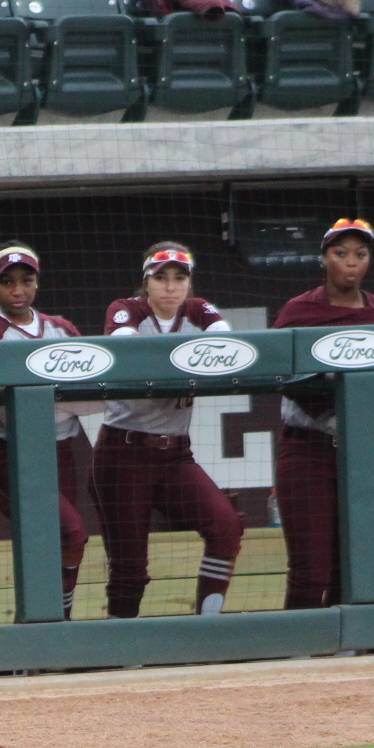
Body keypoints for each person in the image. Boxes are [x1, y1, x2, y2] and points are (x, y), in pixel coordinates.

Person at [270, 219, 374, 607]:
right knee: (311, 570)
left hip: (366, 447)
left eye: (360, 254)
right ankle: (298, 660)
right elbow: (281, 377)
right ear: (324, 259)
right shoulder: (299, 310)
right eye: (340, 254)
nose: (350, 263)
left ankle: (368, 652)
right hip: (309, 447)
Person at [96, 243, 244, 618]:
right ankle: (120, 651)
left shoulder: (198, 309)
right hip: (123, 451)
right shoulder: (125, 308)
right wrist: (189, 359)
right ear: (146, 281)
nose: (170, 286)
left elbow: (228, 343)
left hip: (176, 453)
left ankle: (207, 629)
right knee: (130, 567)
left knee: (226, 526)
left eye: (180, 278)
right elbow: (131, 353)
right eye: (160, 277)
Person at [0, 241, 101, 619]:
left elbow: (97, 394)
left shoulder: (61, 328)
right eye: (7, 282)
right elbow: (14, 414)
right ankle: (52, 632)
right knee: (69, 535)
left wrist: (61, 403)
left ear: (37, 282)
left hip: (62, 452)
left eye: (26, 280)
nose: (18, 290)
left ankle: (51, 633)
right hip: (10, 455)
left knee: (52, 547)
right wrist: (63, 401)